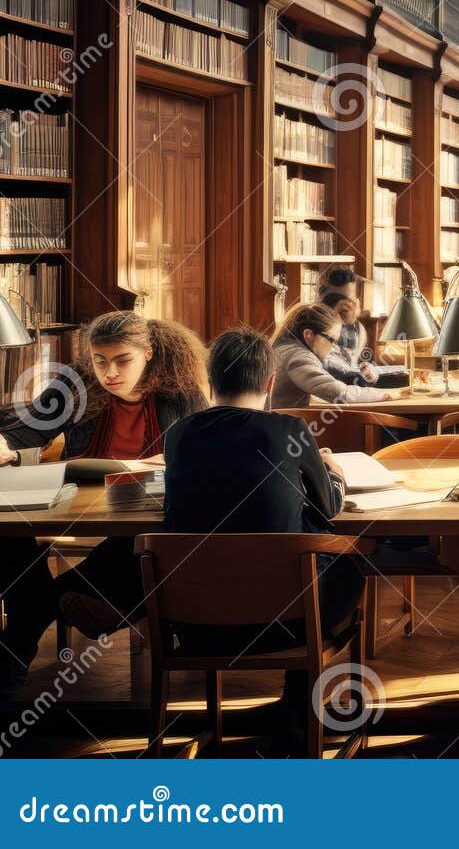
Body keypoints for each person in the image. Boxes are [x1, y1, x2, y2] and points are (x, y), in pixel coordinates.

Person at [159, 326, 363, 754]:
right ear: (270, 384)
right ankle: (296, 719)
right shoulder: (289, 430)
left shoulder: (178, 434)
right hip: (287, 623)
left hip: (197, 623)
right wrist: (334, 474)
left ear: (209, 382)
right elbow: (328, 508)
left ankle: (287, 713)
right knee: (347, 569)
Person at [0, 312, 208, 692]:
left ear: (148, 352)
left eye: (122, 360)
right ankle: (53, 606)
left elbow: (202, 447)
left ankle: (17, 646)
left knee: (140, 547)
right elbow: (29, 427)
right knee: (10, 536)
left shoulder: (180, 389)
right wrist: (7, 445)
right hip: (81, 504)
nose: (109, 372)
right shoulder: (76, 384)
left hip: (150, 510)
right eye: (99, 361)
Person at [270, 303, 397, 409]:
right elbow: (341, 394)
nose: (334, 347)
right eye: (331, 340)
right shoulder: (298, 357)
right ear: (309, 335)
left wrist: (364, 378)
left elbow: (333, 381)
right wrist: (391, 394)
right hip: (283, 433)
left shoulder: (285, 349)